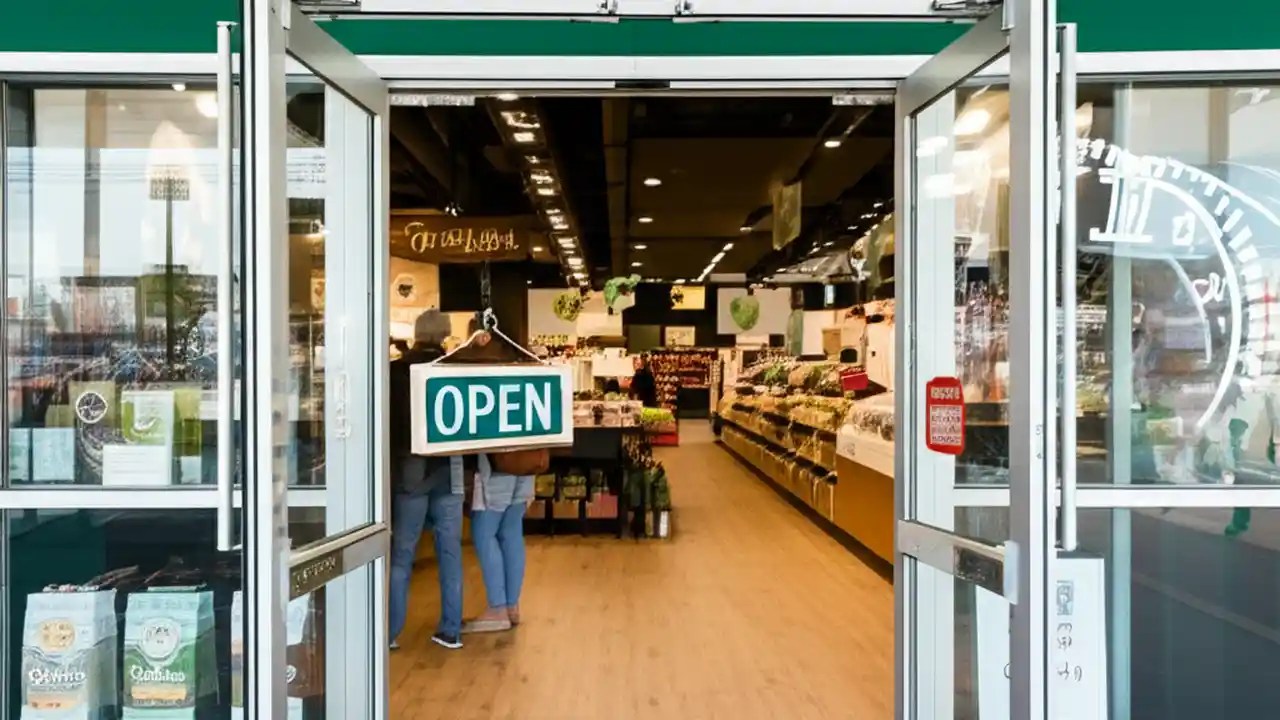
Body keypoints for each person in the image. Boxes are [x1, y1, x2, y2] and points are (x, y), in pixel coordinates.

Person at [388, 310, 470, 651]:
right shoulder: (456, 368)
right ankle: (451, 629)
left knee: (402, 555)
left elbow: (389, 426)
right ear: (445, 335)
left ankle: (390, 633)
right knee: (450, 552)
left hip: (411, 469)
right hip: (449, 467)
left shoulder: (394, 371)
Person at [463, 462, 535, 633]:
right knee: (512, 534)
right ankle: (511, 606)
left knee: (485, 534)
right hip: (528, 463)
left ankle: (497, 608)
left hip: (495, 468)